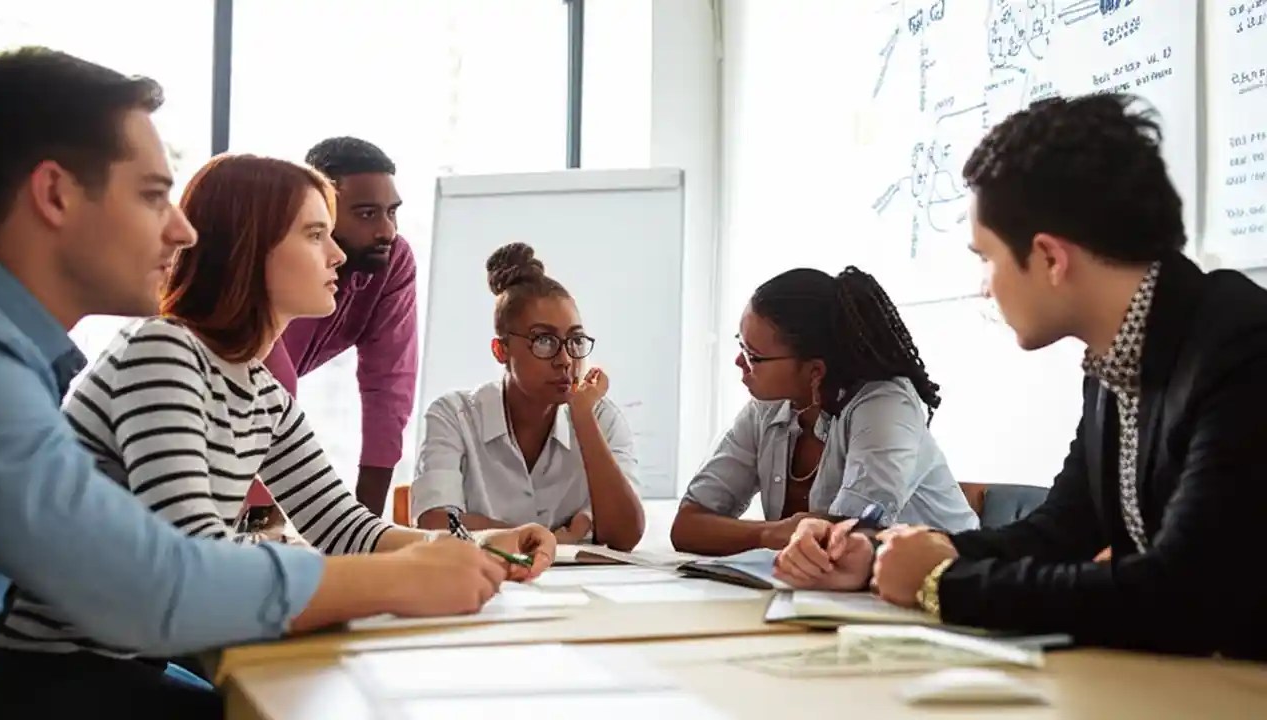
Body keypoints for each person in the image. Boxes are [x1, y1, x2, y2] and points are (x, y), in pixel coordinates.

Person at [0, 48, 552, 715]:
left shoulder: (255, 387)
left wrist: (470, 548)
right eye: (316, 233)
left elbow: (341, 523)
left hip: (112, 658)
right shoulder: (160, 352)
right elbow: (178, 564)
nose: (180, 230)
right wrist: (397, 579)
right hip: (53, 675)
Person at [776, 93, 1267, 660]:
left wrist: (941, 583)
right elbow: (1058, 532)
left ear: (1050, 259)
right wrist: (877, 554)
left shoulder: (1240, 349)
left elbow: (1181, 593)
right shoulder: (1116, 361)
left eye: (986, 258)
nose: (984, 286)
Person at [671, 267, 978, 556]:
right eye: (741, 345)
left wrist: (777, 535)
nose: (739, 361)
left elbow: (847, 537)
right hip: (838, 595)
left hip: (941, 590)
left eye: (754, 355)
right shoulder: (767, 409)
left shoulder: (885, 406)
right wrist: (767, 534)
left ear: (814, 370)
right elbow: (687, 526)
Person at [411, 243, 646, 551]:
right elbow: (436, 524)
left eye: (575, 340)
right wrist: (549, 538)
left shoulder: (601, 417)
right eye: (544, 340)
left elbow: (625, 535)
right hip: (481, 586)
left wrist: (583, 417)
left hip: (579, 591)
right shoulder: (454, 416)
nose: (565, 359)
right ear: (501, 350)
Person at [263, 137, 415, 516]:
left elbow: (390, 386)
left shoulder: (392, 261)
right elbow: (269, 401)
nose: (388, 231)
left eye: (392, 212)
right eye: (366, 214)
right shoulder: (277, 260)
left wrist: (370, 524)